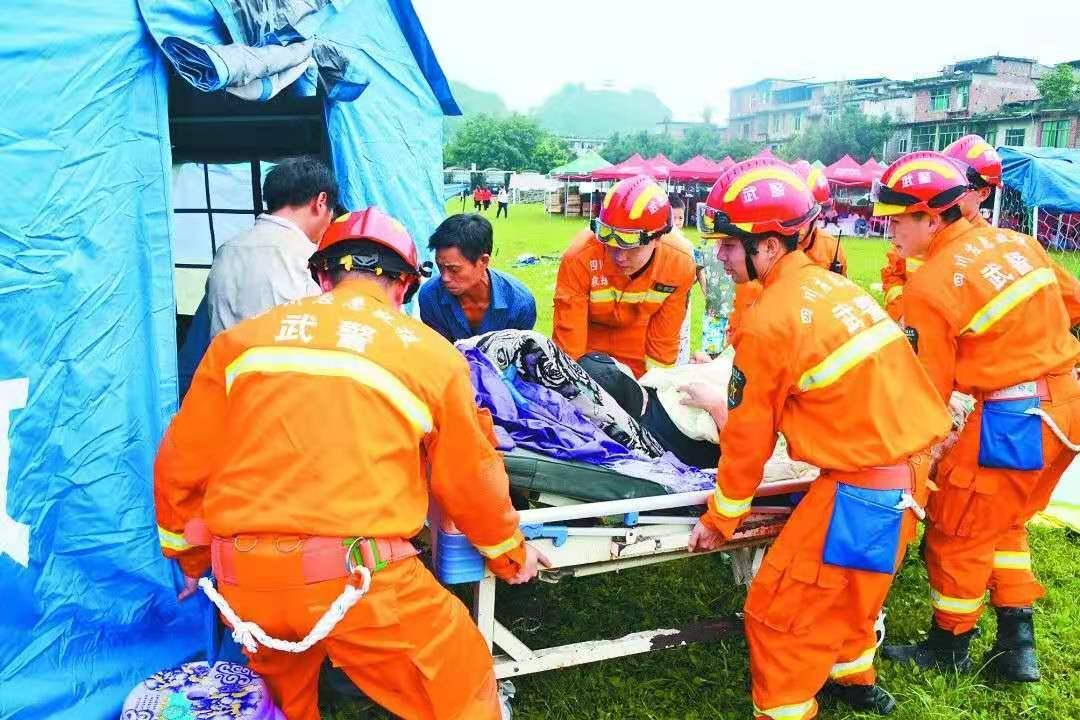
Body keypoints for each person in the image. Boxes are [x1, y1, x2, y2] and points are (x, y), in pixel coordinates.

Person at [154, 207, 547, 720]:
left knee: (282, 702)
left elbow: (180, 462)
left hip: (244, 580)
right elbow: (470, 477)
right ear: (404, 286)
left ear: (323, 276)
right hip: (359, 581)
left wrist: (189, 558)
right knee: (458, 679)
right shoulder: (431, 356)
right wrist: (510, 555)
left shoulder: (239, 344)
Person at [686, 157, 952, 719]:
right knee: (855, 590)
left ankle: (788, 707)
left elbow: (749, 439)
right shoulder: (836, 289)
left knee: (779, 616)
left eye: (729, 245)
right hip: (909, 476)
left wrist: (721, 518)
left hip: (861, 490)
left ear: (769, 246)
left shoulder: (770, 320)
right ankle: (852, 678)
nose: (720, 257)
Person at [871, 151, 1080, 682]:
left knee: (959, 528)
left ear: (931, 218)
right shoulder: (1018, 242)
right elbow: (1074, 303)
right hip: (1066, 407)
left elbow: (929, 393)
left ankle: (950, 645)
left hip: (1011, 423)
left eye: (897, 221)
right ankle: (1017, 642)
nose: (889, 231)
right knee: (1003, 521)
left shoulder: (931, 285)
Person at [552, 175, 696, 378]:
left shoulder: (679, 263)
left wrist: (656, 387)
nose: (620, 256)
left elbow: (663, 345)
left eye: (631, 246)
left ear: (658, 238)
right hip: (588, 349)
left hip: (639, 348)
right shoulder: (579, 258)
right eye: (610, 244)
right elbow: (569, 344)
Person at [206, 156, 338, 337]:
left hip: (223, 355)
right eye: (331, 214)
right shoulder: (307, 257)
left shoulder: (226, 250)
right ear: (321, 201)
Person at [725, 163, 847, 348]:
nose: (795, 227)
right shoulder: (758, 253)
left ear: (815, 216)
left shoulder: (830, 249)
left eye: (801, 217)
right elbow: (744, 308)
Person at [419, 213, 537, 342]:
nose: (445, 278)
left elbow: (518, 351)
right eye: (440, 267)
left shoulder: (520, 304)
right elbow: (437, 349)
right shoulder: (430, 296)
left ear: (483, 261)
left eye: (454, 269)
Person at [667, 193, 705, 365]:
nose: (676, 222)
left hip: (682, 300)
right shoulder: (658, 244)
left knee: (681, 338)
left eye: (680, 218)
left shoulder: (688, 245)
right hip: (664, 299)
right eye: (673, 218)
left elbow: (697, 272)